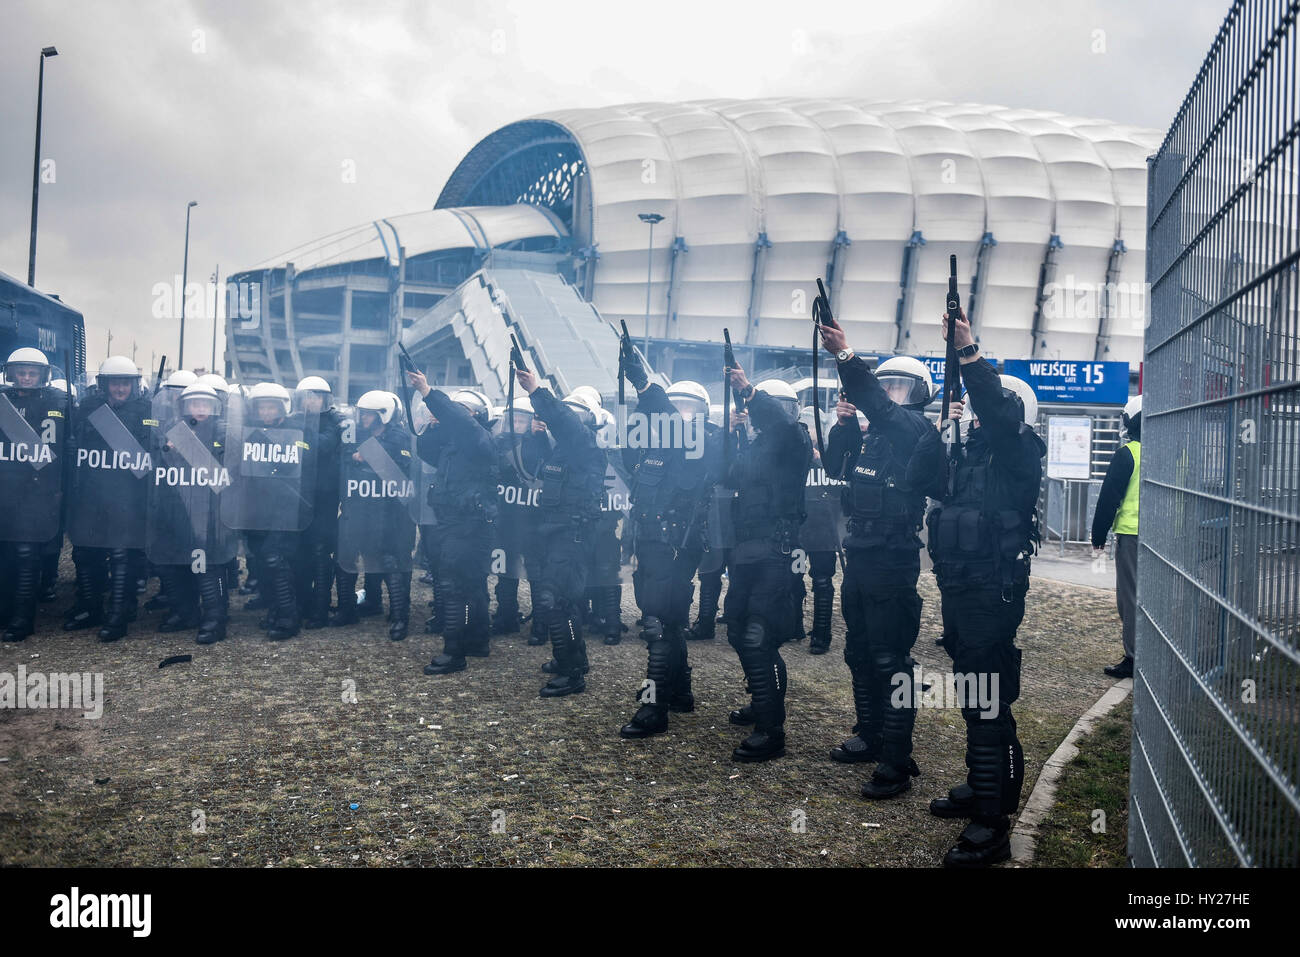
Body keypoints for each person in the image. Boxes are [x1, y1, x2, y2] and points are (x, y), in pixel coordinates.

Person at [905, 309, 1046, 868]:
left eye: (994, 412)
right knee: (974, 691)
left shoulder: (1019, 451)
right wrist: (946, 428)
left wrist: (967, 353)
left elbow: (996, 405)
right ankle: (985, 786)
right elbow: (921, 480)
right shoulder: (970, 452)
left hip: (994, 589)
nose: (985, 418)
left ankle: (993, 822)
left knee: (986, 698)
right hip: (962, 588)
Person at [815, 329, 935, 798]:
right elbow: (834, 468)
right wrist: (844, 424)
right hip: (860, 555)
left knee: (890, 659)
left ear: (918, 393)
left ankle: (897, 761)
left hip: (892, 558)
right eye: (885, 386)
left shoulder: (915, 432)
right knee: (859, 652)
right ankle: (869, 733)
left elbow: (880, 408)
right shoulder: (873, 438)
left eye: (898, 387)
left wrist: (845, 355)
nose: (888, 395)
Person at [618, 345, 721, 738]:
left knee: (657, 624)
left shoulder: (704, 444)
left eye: (689, 408)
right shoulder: (657, 446)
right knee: (671, 619)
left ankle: (652, 706)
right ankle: (680, 693)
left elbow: (675, 426)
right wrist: (640, 410)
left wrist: (646, 387)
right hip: (651, 543)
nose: (681, 415)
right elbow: (631, 464)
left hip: (677, 543)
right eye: (676, 406)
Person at [718, 369, 812, 761]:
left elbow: (786, 428)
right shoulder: (753, 449)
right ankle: (761, 700)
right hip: (745, 554)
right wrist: (730, 432)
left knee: (760, 637)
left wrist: (750, 392)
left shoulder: (795, 442)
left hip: (778, 554)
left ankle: (771, 731)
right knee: (739, 632)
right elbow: (724, 476)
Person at [512, 368, 607, 697]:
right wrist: (537, 434)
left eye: (578, 415)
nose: (569, 422)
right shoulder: (561, 451)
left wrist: (536, 390)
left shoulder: (584, 445)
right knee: (562, 598)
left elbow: (566, 423)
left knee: (557, 600)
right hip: (556, 531)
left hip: (573, 534)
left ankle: (572, 675)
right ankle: (573, 659)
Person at [407, 378, 497, 675]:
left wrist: (429, 393)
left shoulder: (479, 438)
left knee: (454, 586)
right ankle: (477, 641)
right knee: (472, 584)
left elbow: (462, 423)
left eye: (461, 410)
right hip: (454, 521)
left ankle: (454, 653)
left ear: (476, 415)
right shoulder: (454, 443)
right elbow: (427, 451)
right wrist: (433, 426)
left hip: (467, 523)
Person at [64, 356, 153, 641]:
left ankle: (120, 612)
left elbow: (149, 457)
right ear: (104, 385)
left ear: (133, 385)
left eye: (125, 383)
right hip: (92, 493)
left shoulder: (145, 411)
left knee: (121, 554)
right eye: (115, 383)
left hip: (128, 495)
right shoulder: (88, 409)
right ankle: (90, 607)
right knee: (85, 551)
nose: (120, 389)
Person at [0, 348, 69, 642]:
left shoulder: (56, 403)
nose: (26, 378)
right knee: (4, 557)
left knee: (26, 556)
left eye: (32, 373)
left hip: (36, 492)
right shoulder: (2, 400)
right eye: (21, 372)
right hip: (5, 490)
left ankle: (22, 619)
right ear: (12, 373)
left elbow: (58, 450)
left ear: (43, 375)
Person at [1091, 394, 1141, 680]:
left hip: (1133, 536)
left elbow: (1109, 498)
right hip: (1170, 538)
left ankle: (1134, 657)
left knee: (1130, 598)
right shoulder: (1175, 452)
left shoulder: (1128, 454)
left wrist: (1098, 535)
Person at [293, 377, 345, 630]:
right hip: (299, 493)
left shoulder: (336, 422)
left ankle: (321, 608)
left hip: (325, 496)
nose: (311, 401)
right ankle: (301, 603)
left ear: (325, 399)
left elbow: (320, 447)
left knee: (320, 552)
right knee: (300, 552)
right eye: (307, 396)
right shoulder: (294, 419)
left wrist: (302, 432)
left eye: (316, 397)